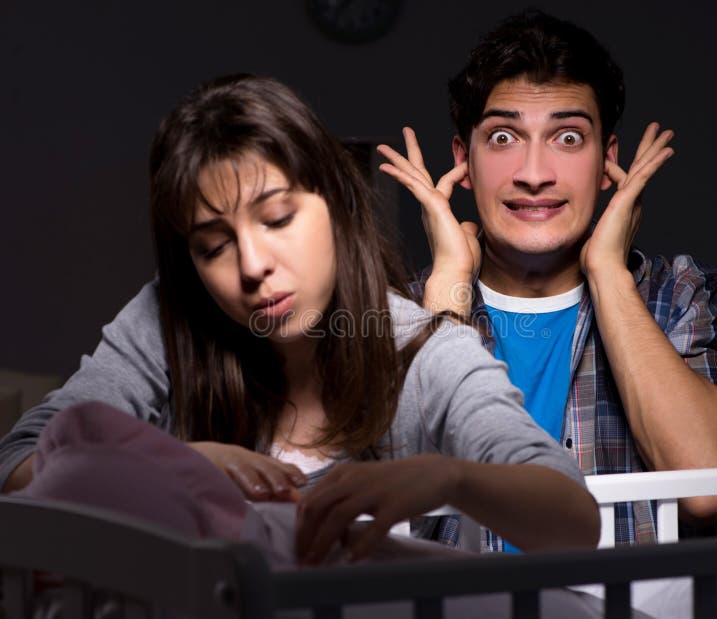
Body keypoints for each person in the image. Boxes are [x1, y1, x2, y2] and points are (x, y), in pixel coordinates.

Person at [0, 74, 600, 566]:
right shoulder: (167, 320)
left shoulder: (423, 352)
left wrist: (450, 478)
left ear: (336, 202)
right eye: (214, 246)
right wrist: (175, 464)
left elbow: (572, 518)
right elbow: (17, 464)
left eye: (278, 219)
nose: (252, 266)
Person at [376, 8, 717, 548]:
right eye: (503, 137)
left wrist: (608, 273)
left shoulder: (686, 296)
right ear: (463, 160)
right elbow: (380, 502)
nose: (534, 175)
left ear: (606, 160)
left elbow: (707, 491)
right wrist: (447, 287)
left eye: (567, 138)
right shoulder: (399, 313)